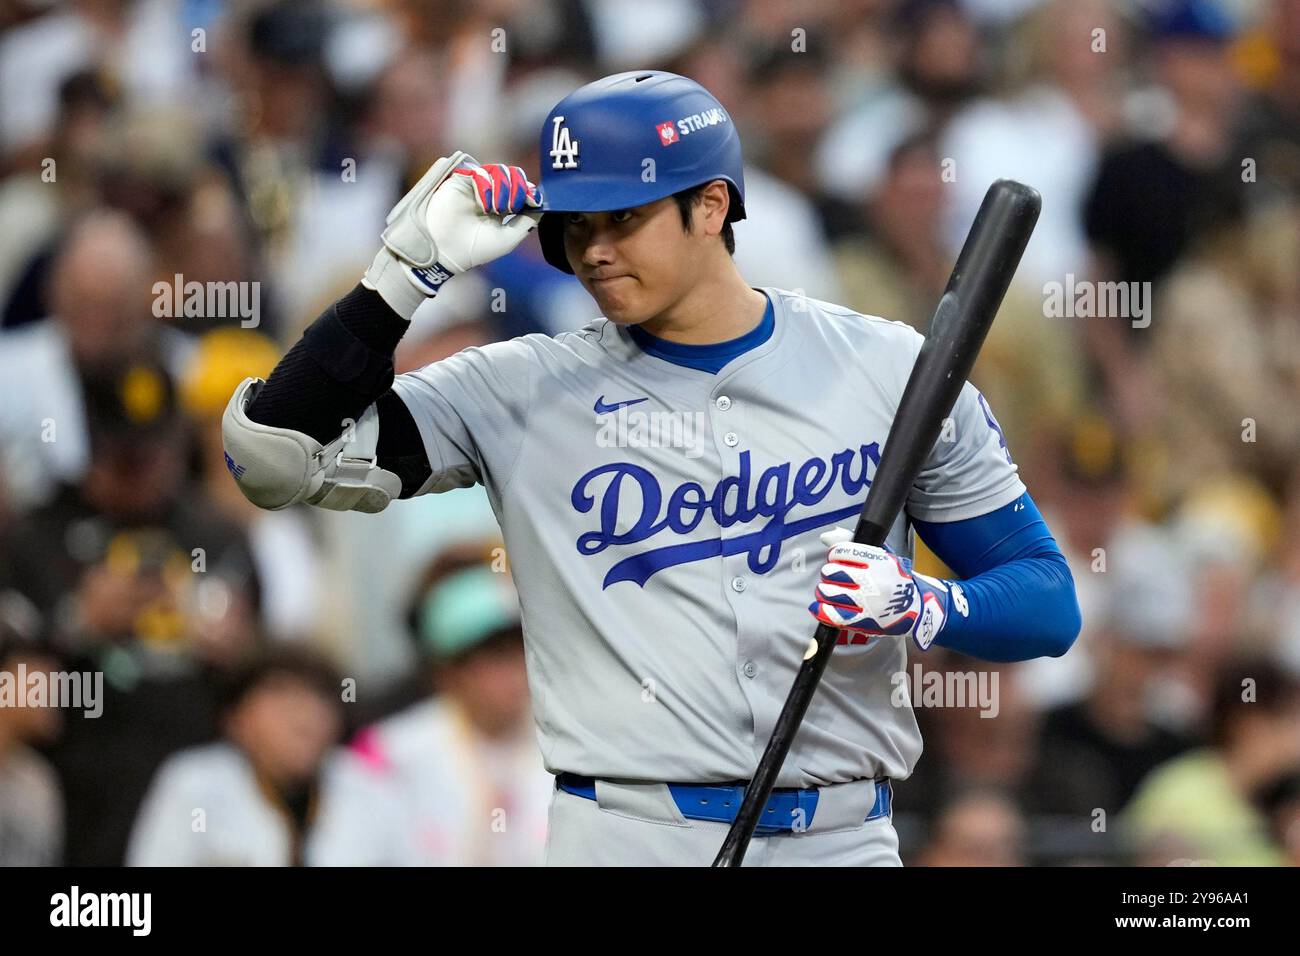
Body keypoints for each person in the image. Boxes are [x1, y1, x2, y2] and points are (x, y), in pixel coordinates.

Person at [221, 70, 1081, 866]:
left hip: (844, 839)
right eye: (576, 225)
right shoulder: (518, 387)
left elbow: (1047, 600)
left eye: (622, 217)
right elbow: (272, 455)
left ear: (711, 206)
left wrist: (926, 603)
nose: (593, 250)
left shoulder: (887, 367)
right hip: (627, 836)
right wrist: (403, 275)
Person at [331, 546, 552, 866]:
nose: (517, 672)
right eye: (496, 657)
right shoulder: (386, 755)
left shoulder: (565, 748)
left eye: (522, 651)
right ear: (448, 672)